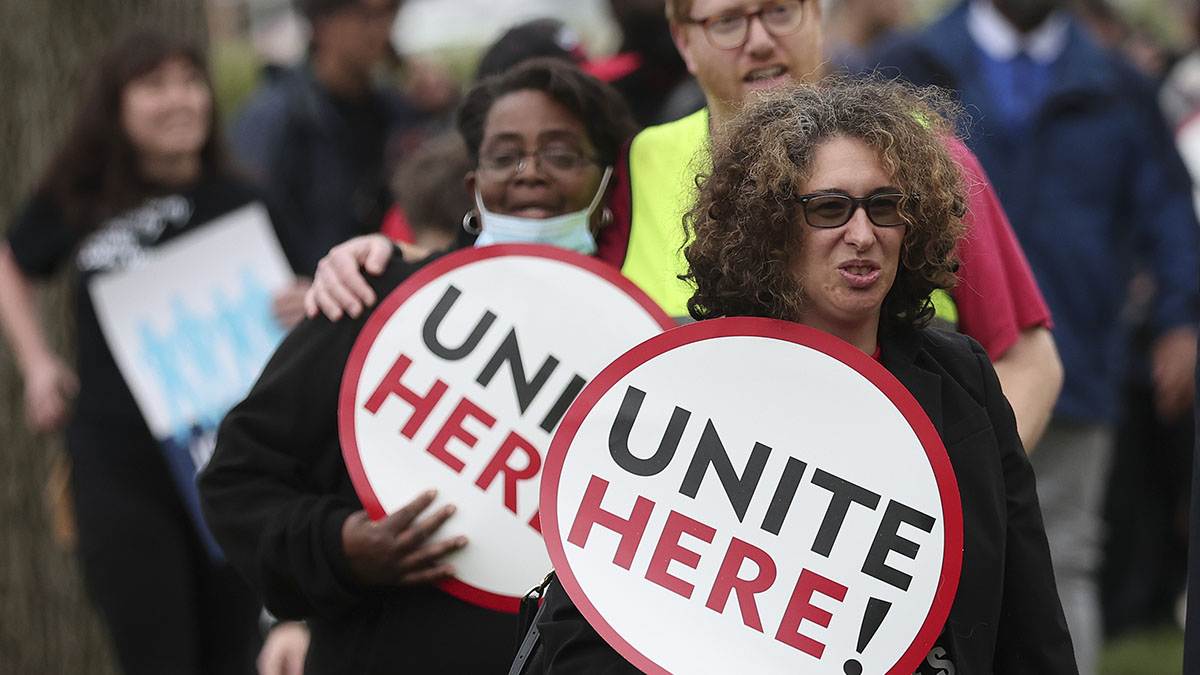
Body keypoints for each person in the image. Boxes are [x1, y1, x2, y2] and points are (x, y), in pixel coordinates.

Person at [304, 0, 1064, 454]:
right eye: (727, 19)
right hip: (695, 576)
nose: (759, 40)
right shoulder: (635, 166)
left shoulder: (924, 158)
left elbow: (1030, 359)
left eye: (779, 10)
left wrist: (956, 497)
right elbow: (524, 281)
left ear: (817, 15)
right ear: (683, 38)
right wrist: (393, 261)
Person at [531, 76, 1077, 675]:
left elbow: (1031, 621)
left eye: (885, 205)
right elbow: (585, 633)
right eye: (829, 208)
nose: (863, 235)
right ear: (768, 225)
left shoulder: (963, 377)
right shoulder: (679, 388)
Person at [198, 58, 639, 674]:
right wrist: (340, 547)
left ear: (606, 185)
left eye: (561, 154)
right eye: (505, 155)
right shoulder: (374, 297)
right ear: (474, 185)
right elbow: (238, 479)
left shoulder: (646, 350)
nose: (530, 172)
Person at [872, 2, 1200, 671]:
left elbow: (1169, 212)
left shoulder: (1116, 82)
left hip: (1074, 354)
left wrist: (1181, 319)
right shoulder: (909, 65)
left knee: (1064, 555)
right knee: (925, 560)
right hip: (928, 375)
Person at [0, 29, 291, 675]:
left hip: (228, 468)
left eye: (190, 82)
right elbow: (12, 264)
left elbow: (314, 292)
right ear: (117, 105)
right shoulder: (80, 197)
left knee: (235, 652)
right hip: (118, 468)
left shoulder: (246, 198)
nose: (179, 99)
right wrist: (38, 364)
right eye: (154, 85)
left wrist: (305, 300)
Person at [229, 0, 426, 275]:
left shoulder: (398, 109)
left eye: (388, 13)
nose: (379, 30)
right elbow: (246, 227)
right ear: (320, 24)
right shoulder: (274, 119)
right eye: (364, 15)